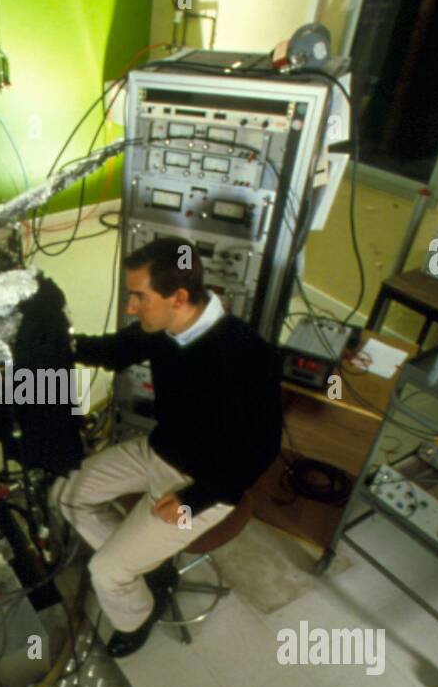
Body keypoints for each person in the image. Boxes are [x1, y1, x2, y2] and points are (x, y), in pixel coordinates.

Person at [52, 237, 282, 657]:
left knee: (104, 571)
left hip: (204, 484)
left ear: (178, 297)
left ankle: (136, 614)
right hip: (158, 451)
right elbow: (118, 350)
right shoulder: (165, 329)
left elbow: (262, 449)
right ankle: (143, 566)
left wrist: (195, 500)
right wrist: (61, 344)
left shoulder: (246, 355)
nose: (130, 307)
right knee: (65, 495)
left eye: (139, 297)